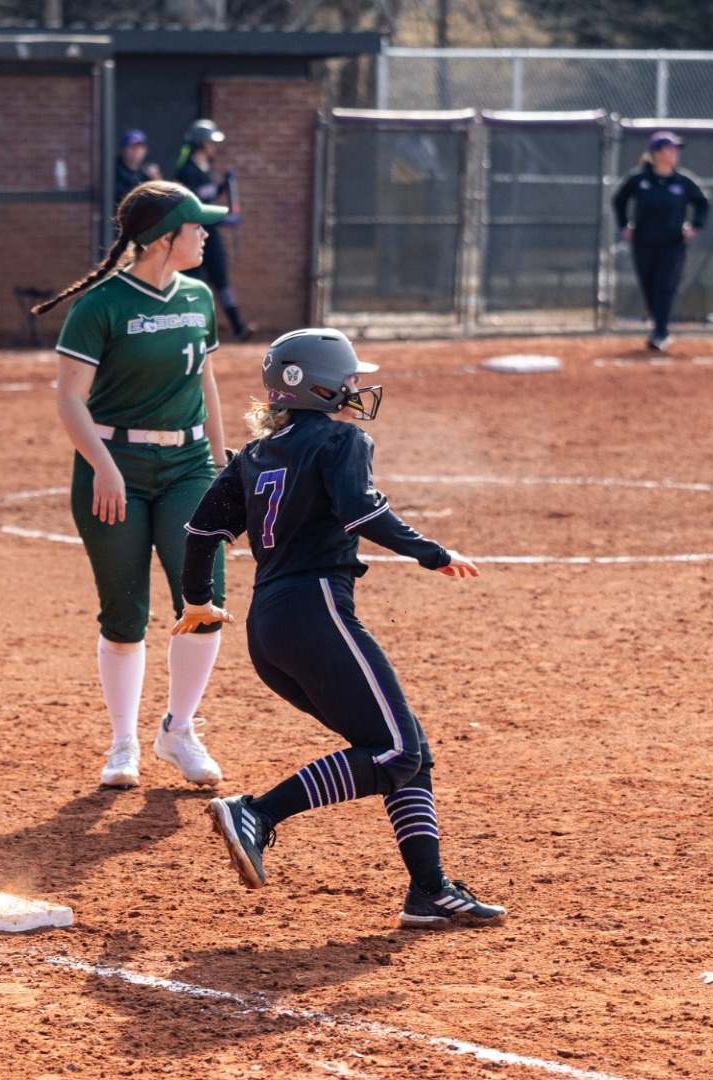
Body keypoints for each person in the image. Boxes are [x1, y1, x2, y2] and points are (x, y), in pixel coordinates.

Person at [183, 329, 505, 929]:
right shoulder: (342, 437)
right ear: (322, 386)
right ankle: (258, 812)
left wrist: (198, 600)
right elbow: (362, 511)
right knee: (398, 749)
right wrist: (432, 553)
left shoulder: (254, 455)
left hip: (269, 629)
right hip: (317, 611)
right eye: (351, 379)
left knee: (407, 750)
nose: (358, 388)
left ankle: (429, 891)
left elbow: (202, 534)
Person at [35, 180, 234, 790]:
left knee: (203, 600)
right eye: (196, 226)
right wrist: (103, 465)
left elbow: (205, 383)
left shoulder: (198, 296)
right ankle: (123, 743)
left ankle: (179, 730)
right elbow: (70, 399)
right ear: (163, 239)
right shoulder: (101, 305)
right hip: (113, 463)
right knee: (124, 612)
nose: (205, 235)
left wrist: (224, 467)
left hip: (188, 465)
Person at [612, 131, 709, 351]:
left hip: (672, 244)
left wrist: (694, 225)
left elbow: (703, 203)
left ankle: (660, 332)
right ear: (656, 153)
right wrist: (624, 224)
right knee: (649, 287)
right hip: (644, 243)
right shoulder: (640, 180)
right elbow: (619, 200)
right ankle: (659, 327)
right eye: (669, 149)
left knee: (664, 286)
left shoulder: (683, 182)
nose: (674, 154)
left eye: (676, 150)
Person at [175, 119, 253, 342]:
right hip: (192, 233)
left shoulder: (206, 167)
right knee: (192, 281)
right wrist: (223, 218)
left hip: (210, 233)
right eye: (209, 142)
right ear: (199, 142)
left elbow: (208, 196)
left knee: (221, 278)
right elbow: (194, 204)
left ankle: (238, 326)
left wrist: (223, 185)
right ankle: (187, 328)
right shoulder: (186, 171)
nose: (213, 146)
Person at [113, 129, 162, 208]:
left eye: (140, 147)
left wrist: (156, 181)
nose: (137, 151)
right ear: (123, 150)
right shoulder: (114, 170)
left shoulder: (145, 172)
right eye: (133, 147)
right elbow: (123, 198)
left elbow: (159, 199)